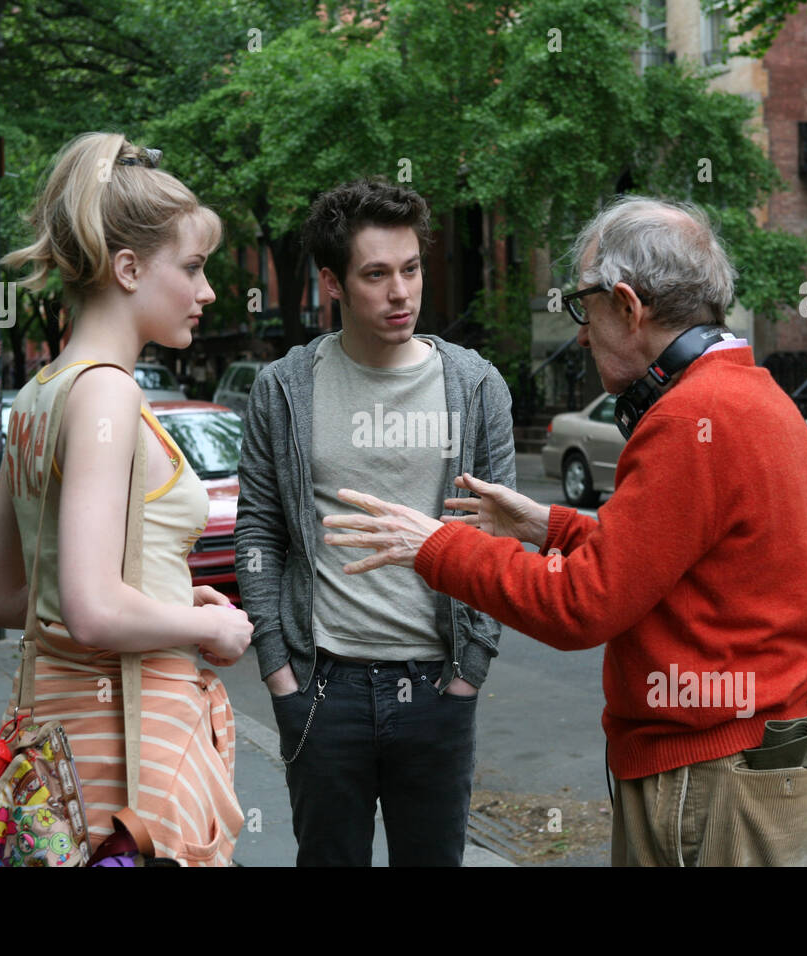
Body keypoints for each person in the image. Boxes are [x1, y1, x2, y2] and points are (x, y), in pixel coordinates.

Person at [322, 196, 807, 867]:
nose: (581, 333)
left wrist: (434, 546)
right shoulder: (755, 395)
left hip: (711, 782)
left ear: (628, 306)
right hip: (759, 765)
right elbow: (675, 559)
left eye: (584, 308)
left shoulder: (692, 417)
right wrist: (551, 525)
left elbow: (582, 606)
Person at [0, 133, 253, 866]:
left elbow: (2, 596)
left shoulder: (42, 393)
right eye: (192, 268)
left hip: (50, 751)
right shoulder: (109, 391)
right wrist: (203, 631)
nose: (208, 291)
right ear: (128, 268)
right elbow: (94, 609)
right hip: (127, 756)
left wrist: (161, 590)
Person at [234, 178, 517, 867]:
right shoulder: (284, 389)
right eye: (376, 274)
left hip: (437, 688)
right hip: (323, 689)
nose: (401, 293)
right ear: (332, 282)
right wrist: (279, 672)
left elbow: (498, 539)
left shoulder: (475, 387)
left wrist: (468, 674)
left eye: (412, 269)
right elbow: (259, 532)